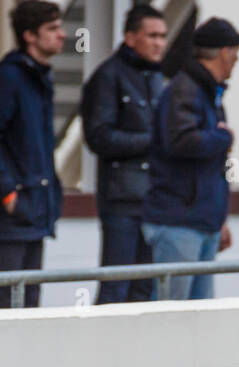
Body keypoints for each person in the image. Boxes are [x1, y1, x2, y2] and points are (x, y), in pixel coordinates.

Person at [141, 17, 239, 300]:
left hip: (199, 221)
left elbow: (210, 164)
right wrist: (223, 138)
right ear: (224, 52)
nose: (236, 60)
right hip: (179, 222)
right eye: (235, 53)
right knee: (170, 316)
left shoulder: (206, 91)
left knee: (198, 319)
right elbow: (182, 141)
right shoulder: (187, 89)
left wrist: (218, 218)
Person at [0, 0, 65, 309]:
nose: (62, 35)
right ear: (30, 35)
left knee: (29, 301)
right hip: (12, 213)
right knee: (5, 299)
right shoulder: (9, 78)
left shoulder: (39, 76)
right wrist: (9, 196)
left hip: (33, 209)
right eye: (52, 28)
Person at [81, 3, 166, 303]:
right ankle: (103, 350)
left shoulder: (157, 78)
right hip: (121, 202)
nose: (159, 43)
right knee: (116, 287)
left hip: (154, 200)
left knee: (147, 288)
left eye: (162, 36)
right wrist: (153, 140)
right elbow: (98, 137)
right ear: (130, 37)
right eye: (152, 35)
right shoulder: (107, 76)